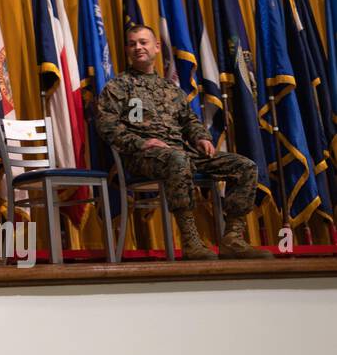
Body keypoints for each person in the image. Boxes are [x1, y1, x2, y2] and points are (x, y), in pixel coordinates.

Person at [96, 24, 273, 260]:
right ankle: (190, 241)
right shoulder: (118, 87)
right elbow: (107, 127)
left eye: (143, 42)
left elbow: (189, 120)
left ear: (157, 47)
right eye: (132, 44)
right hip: (142, 157)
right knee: (177, 160)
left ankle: (233, 238)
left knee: (245, 166)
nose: (138, 47)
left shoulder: (171, 88)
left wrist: (201, 137)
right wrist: (141, 143)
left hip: (182, 152)